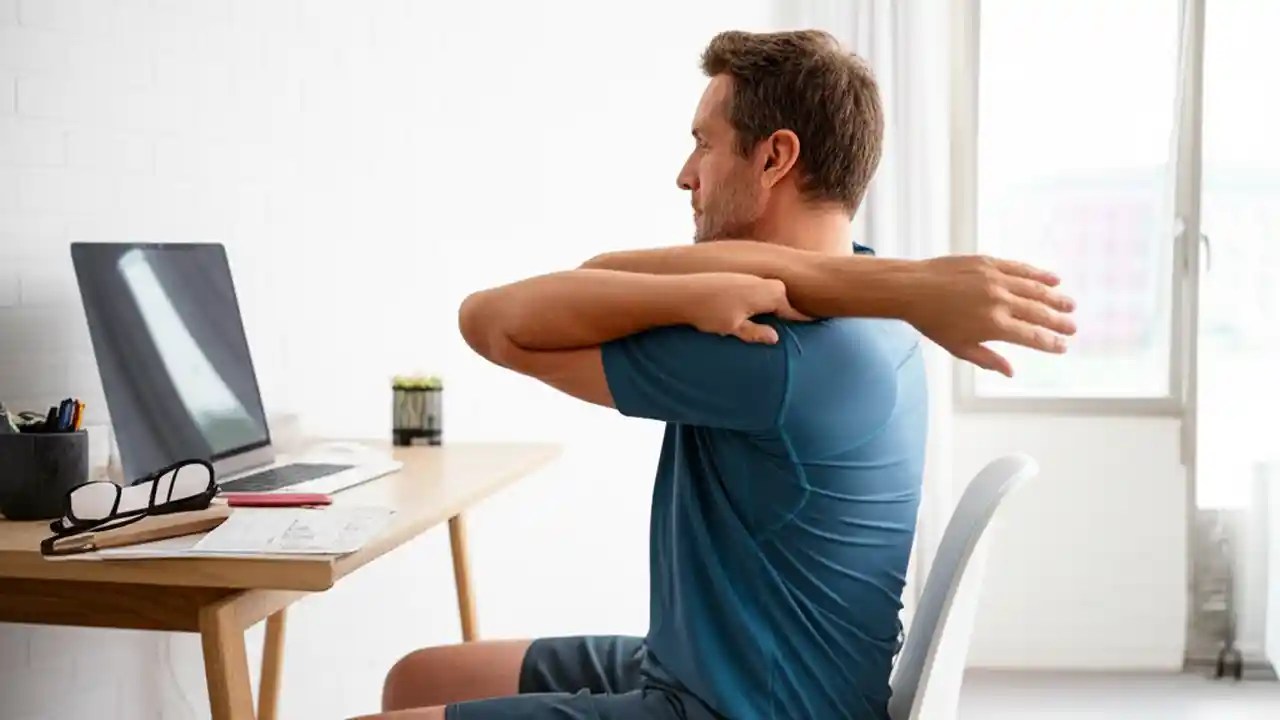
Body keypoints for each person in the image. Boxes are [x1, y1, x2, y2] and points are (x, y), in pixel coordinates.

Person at [359, 29, 1075, 720]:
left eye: (704, 142)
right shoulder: (873, 301)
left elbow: (495, 323)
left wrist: (688, 297)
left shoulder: (768, 351)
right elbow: (596, 275)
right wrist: (698, 292)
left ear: (774, 159)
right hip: (724, 667)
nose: (685, 174)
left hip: (733, 707)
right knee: (418, 677)